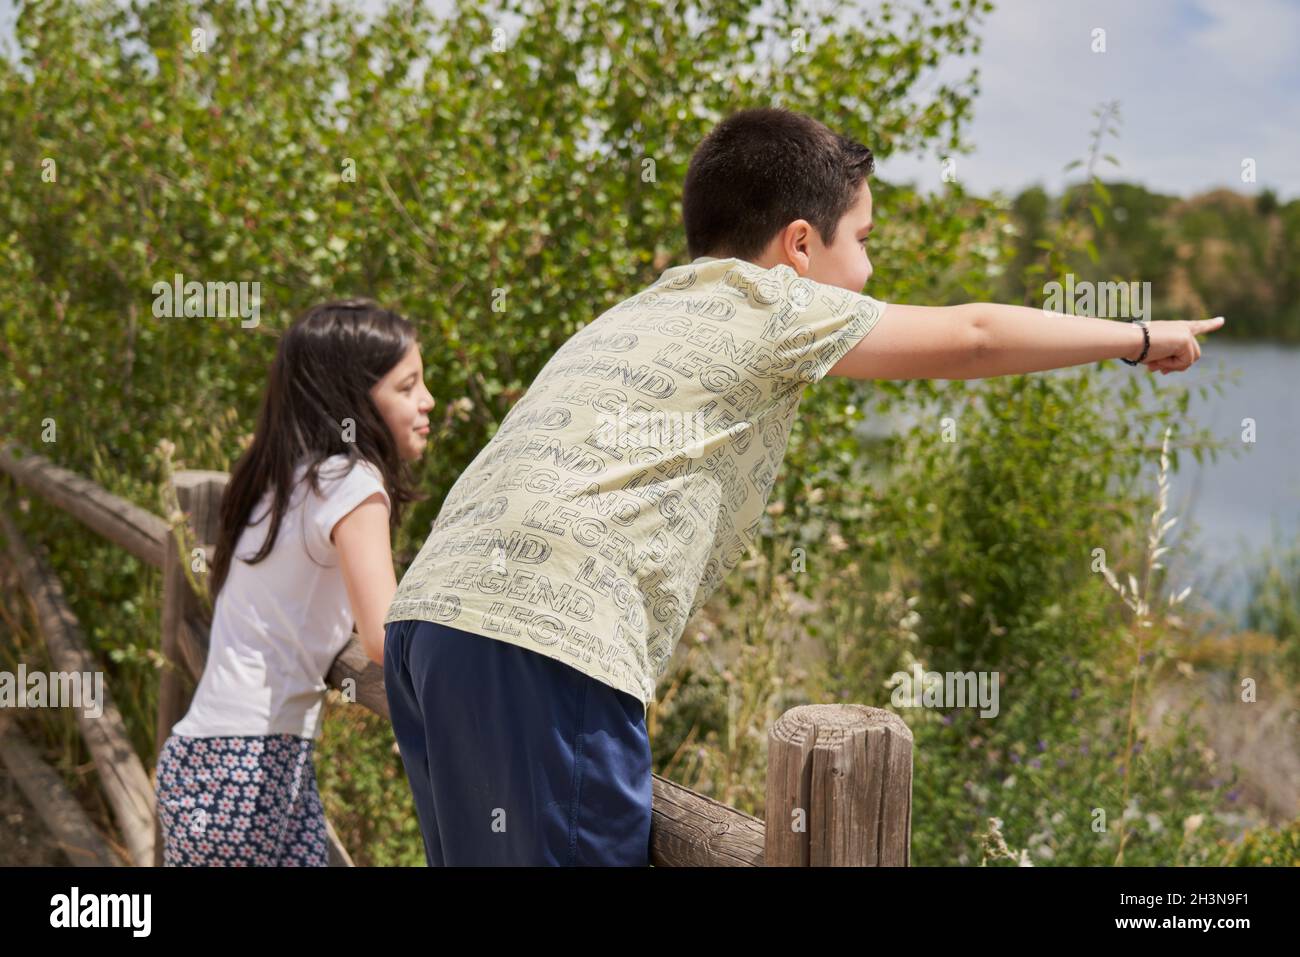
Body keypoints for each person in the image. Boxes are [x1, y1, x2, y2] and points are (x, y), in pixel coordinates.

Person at [382, 106, 1225, 867]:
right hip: (544, 633)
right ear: (797, 245)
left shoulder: (637, 311)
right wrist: (1142, 336)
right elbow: (972, 335)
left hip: (433, 624)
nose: (867, 269)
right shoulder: (771, 303)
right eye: (862, 239)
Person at [156, 299, 435, 866]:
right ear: (353, 401)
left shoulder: (280, 478)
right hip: (248, 770)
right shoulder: (351, 482)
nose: (427, 400)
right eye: (407, 387)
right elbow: (385, 637)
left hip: (211, 762)